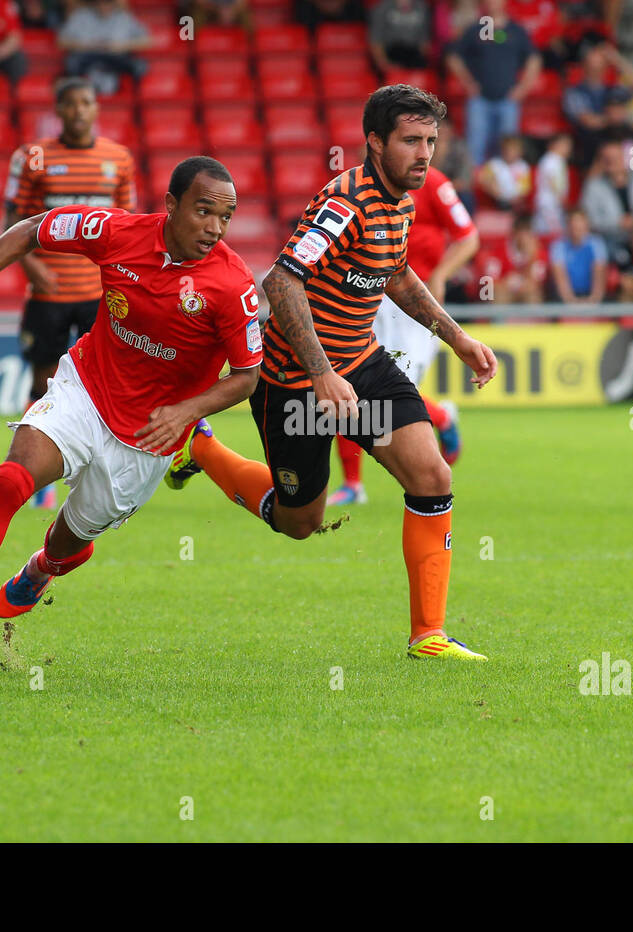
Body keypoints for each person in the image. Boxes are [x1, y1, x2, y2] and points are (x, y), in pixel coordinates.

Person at [164, 86, 499, 661]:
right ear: (374, 142)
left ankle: (429, 636)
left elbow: (395, 275)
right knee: (300, 523)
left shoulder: (401, 202)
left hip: (363, 366)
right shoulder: (344, 203)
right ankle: (202, 449)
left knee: (431, 475)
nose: (424, 154)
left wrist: (457, 337)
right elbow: (281, 281)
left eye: (431, 141)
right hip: (294, 382)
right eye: (411, 141)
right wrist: (320, 373)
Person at [0, 157, 264, 669]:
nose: (214, 228)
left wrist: (187, 412)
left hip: (148, 436)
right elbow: (28, 231)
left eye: (226, 216)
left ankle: (45, 565)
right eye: (203, 212)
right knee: (9, 481)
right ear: (172, 205)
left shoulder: (233, 285)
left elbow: (248, 375)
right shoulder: (113, 231)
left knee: (71, 540)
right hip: (85, 391)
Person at [4, 77, 137, 508]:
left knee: (103, 386)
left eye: (86, 103)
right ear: (57, 110)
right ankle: (35, 475)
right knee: (43, 382)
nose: (79, 110)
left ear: (96, 109)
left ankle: (94, 472)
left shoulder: (118, 159)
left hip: (101, 294)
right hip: (49, 294)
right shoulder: (33, 157)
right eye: (70, 104)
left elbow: (128, 225)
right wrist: (30, 264)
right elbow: (14, 218)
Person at [329, 162, 480, 505]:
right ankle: (353, 484)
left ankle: (439, 416)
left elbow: (468, 237)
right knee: (346, 379)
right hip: (370, 294)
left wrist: (441, 274)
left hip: (416, 302)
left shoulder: (433, 183)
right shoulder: (357, 186)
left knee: (389, 392)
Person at [445, 0, 542, 166]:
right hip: (479, 100)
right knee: (474, 151)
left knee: (508, 153)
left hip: (508, 101)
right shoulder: (475, 29)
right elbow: (453, 57)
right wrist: (468, 82)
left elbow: (534, 60)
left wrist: (523, 88)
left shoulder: (516, 30)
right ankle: (473, 191)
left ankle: (503, 191)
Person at [562, 42, 633, 172]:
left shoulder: (613, 88)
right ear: (584, 67)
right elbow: (587, 121)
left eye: (600, 65)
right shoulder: (575, 92)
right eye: (592, 65)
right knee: (601, 146)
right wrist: (612, 118)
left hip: (618, 134)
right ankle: (598, 181)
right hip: (595, 138)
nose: (596, 69)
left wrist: (616, 59)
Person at [579, 140, 633, 248]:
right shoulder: (593, 186)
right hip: (610, 241)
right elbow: (588, 218)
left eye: (616, 157)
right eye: (607, 158)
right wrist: (617, 223)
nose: (612, 162)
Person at [58, 0, 151, 96]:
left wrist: (121, 45)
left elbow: (146, 41)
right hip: (88, 56)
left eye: (107, 2)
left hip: (115, 57)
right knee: (71, 63)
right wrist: (87, 45)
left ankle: (135, 100)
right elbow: (62, 42)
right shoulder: (81, 16)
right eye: (100, 2)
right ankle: (75, 95)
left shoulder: (124, 17)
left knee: (140, 66)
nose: (103, 5)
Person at [481, 212, 548, 303]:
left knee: (533, 296)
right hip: (504, 291)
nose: (524, 238)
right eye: (521, 233)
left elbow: (536, 284)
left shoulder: (539, 253)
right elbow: (488, 283)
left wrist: (532, 257)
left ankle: (532, 317)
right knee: (498, 296)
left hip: (526, 292)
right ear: (514, 233)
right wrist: (507, 283)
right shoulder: (498, 252)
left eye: (528, 233)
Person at [550, 207, 607, 303]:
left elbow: (599, 275)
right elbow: (560, 275)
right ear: (568, 226)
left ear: (586, 225)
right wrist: (571, 301)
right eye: (573, 225)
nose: (576, 228)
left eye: (579, 225)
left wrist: (593, 300)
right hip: (566, 298)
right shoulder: (559, 246)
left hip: (590, 295)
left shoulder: (597, 245)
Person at [368, 0, 433, 73]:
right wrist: (385, 65)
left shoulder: (422, 7)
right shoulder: (381, 8)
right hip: (391, 52)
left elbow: (424, 43)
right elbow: (376, 41)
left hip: (414, 55)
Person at [478, 134, 533, 211]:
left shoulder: (523, 167)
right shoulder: (494, 164)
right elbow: (483, 180)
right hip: (496, 200)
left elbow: (525, 188)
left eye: (513, 150)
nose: (509, 152)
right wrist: (493, 190)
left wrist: (516, 198)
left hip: (516, 202)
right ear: (502, 150)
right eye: (507, 149)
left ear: (520, 151)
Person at [533, 132, 571, 236]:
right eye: (566, 145)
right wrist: (560, 196)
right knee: (553, 233)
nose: (568, 148)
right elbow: (552, 179)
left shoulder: (556, 160)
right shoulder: (551, 159)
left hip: (552, 204)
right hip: (549, 203)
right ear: (555, 144)